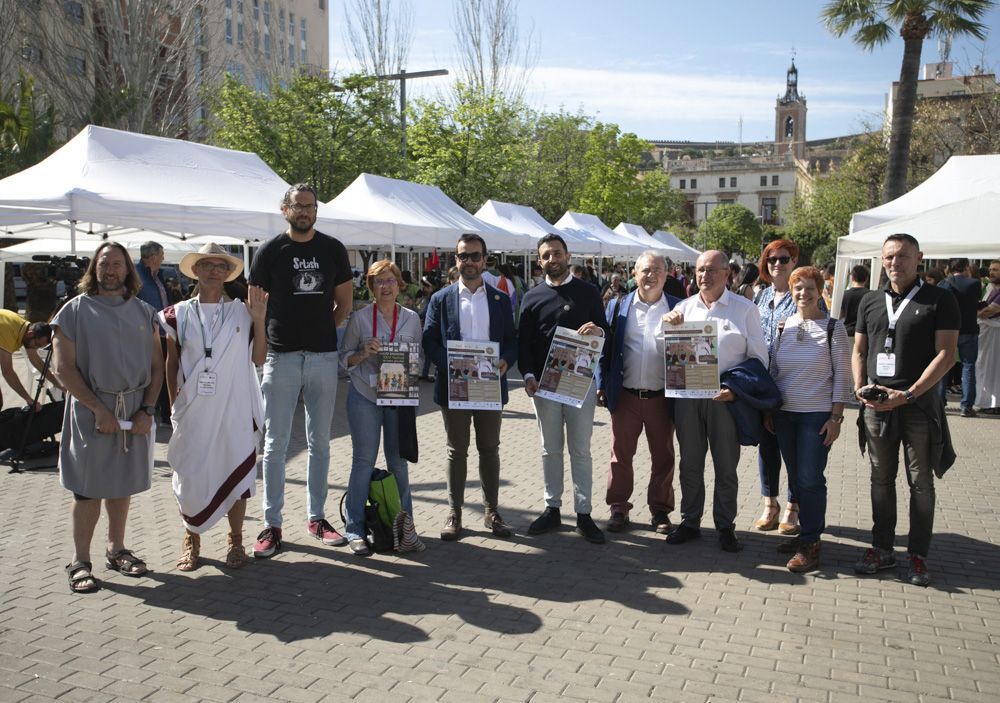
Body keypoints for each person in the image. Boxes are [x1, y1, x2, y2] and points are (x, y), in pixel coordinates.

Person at [249, 183, 354, 559]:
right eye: (299, 206)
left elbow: (344, 303)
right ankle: (271, 524)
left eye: (310, 206)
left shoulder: (332, 249)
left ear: (316, 211)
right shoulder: (270, 251)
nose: (305, 212)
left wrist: (325, 330)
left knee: (320, 443)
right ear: (285, 209)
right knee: (275, 446)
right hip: (281, 357)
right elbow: (255, 305)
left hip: (323, 358)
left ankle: (317, 518)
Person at [51, 242, 163, 593]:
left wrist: (147, 410)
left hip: (133, 410)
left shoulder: (144, 312)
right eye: (104, 263)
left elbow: (158, 367)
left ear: (128, 270)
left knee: (122, 484)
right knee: (87, 489)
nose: (111, 270)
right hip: (90, 410)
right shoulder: (73, 311)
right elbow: (63, 368)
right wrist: (98, 409)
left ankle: (117, 549)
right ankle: (80, 560)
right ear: (93, 269)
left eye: (117, 264)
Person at [852, 233, 959, 587]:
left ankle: (918, 554)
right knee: (880, 479)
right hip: (877, 405)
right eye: (888, 257)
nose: (893, 263)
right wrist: (858, 387)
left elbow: (947, 354)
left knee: (921, 482)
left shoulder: (939, 299)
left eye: (901, 257)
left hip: (918, 405)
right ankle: (882, 548)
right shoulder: (869, 300)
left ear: (919, 259)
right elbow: (859, 350)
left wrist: (909, 395)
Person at [159, 244, 266, 572]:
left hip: (234, 407)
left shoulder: (241, 311)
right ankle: (192, 536)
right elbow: (171, 360)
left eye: (221, 266)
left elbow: (258, 359)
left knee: (235, 472)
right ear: (196, 271)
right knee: (190, 474)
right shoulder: (177, 314)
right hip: (193, 409)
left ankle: (235, 539)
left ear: (228, 273)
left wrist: (259, 320)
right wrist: (173, 399)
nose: (214, 271)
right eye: (207, 265)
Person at [663, 250, 768, 553]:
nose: (703, 276)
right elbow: (666, 353)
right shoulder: (682, 308)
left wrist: (736, 389)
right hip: (688, 397)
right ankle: (690, 521)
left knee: (725, 466)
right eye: (699, 270)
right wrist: (668, 327)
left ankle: (725, 526)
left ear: (727, 274)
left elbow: (759, 358)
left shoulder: (745, 309)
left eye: (711, 270)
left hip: (724, 397)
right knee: (690, 464)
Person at [423, 234, 517, 541]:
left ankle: (492, 511)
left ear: (485, 259)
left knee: (489, 450)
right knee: (456, 451)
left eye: (475, 256)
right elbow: (429, 341)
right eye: (464, 256)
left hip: (490, 387)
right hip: (456, 388)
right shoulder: (441, 299)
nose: (470, 262)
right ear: (456, 259)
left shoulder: (500, 300)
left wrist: (505, 360)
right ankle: (455, 513)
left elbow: (512, 341)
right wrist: (448, 364)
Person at [519, 234, 609, 544]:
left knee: (581, 450)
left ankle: (584, 513)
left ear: (567, 256)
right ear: (539, 260)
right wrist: (529, 374)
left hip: (580, 384)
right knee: (550, 449)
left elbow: (605, 331)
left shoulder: (588, 292)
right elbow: (524, 343)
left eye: (557, 253)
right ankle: (552, 508)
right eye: (546, 255)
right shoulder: (532, 297)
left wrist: (598, 330)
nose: (552, 259)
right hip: (544, 387)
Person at [765, 266, 852, 572]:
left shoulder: (833, 328)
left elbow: (843, 376)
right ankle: (803, 533)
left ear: (820, 291)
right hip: (785, 415)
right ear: (791, 291)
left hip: (816, 416)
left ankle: (811, 543)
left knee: (810, 479)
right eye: (797, 288)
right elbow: (775, 371)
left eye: (809, 288)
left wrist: (836, 417)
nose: (803, 294)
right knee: (796, 477)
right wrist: (770, 411)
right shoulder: (782, 326)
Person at [342, 260, 423, 555]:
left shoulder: (412, 319)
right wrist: (363, 353)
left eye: (390, 281)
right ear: (371, 287)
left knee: (398, 461)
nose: (385, 287)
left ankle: (406, 527)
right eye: (379, 282)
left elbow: (419, 358)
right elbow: (344, 359)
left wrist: (410, 376)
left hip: (398, 398)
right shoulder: (361, 318)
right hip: (364, 394)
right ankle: (355, 529)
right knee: (363, 461)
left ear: (399, 284)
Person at [598, 252, 680, 535]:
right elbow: (604, 349)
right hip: (626, 396)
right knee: (620, 456)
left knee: (663, 457)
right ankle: (618, 507)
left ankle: (660, 511)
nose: (651, 275)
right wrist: (600, 384)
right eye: (645, 270)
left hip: (662, 397)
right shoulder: (619, 306)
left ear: (666, 274)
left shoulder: (680, 308)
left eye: (658, 269)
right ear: (634, 274)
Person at [753, 239, 822, 536]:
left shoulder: (803, 294)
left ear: (794, 261)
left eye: (783, 259)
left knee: (792, 449)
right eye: (771, 260)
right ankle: (770, 502)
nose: (777, 264)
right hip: (763, 383)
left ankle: (794, 505)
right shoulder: (759, 297)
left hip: (794, 384)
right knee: (766, 446)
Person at [938, 258, 982, 417]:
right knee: (968, 366)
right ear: (966, 267)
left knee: (943, 364)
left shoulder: (943, 284)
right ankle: (966, 406)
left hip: (948, 330)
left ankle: (940, 402)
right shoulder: (974, 284)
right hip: (969, 329)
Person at [136, 241, 172, 424]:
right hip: (144, 335)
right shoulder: (136, 275)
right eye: (161, 254)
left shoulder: (158, 276)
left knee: (164, 372)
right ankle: (148, 410)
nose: (163, 258)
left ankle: (165, 413)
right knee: (150, 372)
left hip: (163, 333)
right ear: (152, 257)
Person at [0, 310, 60, 411]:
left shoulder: (23, 328)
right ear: (30, 334)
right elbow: (8, 372)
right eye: (37, 345)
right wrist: (29, 399)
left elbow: (35, 360)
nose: (35, 348)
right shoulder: (9, 331)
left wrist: (58, 384)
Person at [976, 260, 1000, 414]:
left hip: (995, 335)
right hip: (987, 333)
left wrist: (974, 313)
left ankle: (993, 403)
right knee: (984, 367)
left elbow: (989, 311)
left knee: (993, 368)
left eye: (996, 270)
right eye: (990, 269)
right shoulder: (991, 288)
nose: (991, 272)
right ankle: (987, 401)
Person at [839, 265, 871, 336]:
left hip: (848, 332)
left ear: (852, 278)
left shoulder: (845, 294)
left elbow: (840, 315)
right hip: (864, 333)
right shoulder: (871, 295)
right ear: (866, 278)